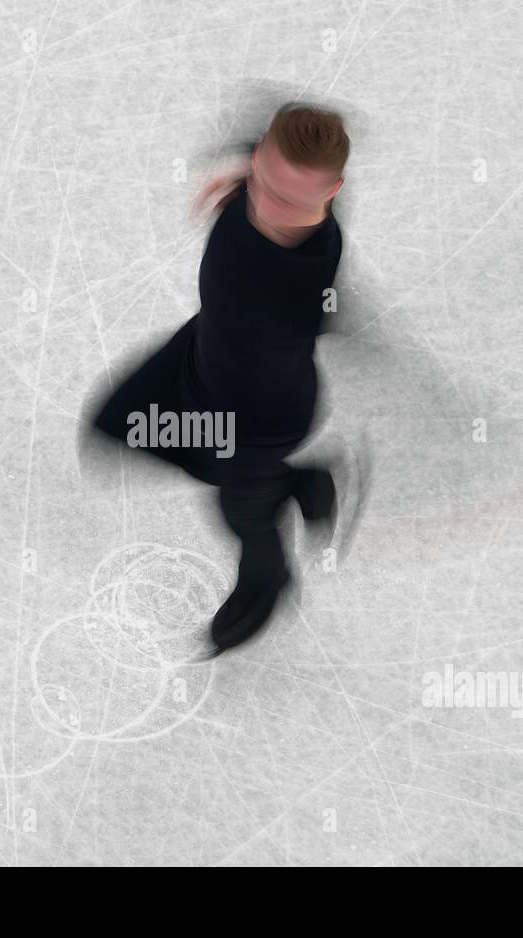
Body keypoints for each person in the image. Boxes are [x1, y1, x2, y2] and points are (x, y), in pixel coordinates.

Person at [87, 104, 351, 655]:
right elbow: (284, 158)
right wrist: (246, 175)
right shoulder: (274, 188)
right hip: (199, 356)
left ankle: (267, 576)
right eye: (268, 186)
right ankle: (299, 483)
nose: (274, 210)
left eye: (294, 201)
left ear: (330, 193)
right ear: (259, 160)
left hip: (250, 421)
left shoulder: (291, 288)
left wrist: (251, 179)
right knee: (121, 423)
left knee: (240, 508)